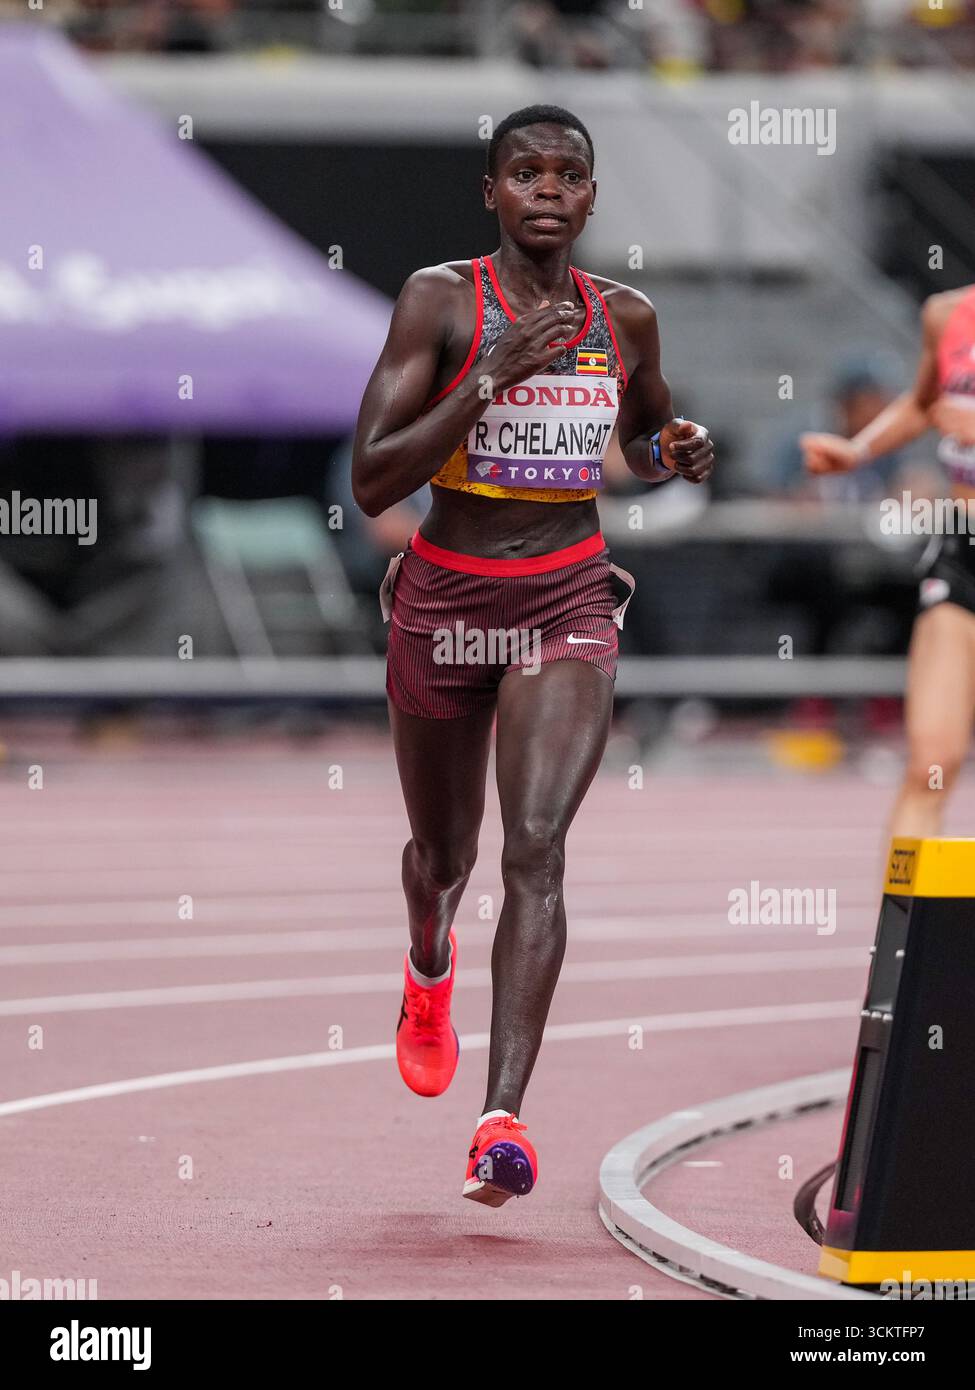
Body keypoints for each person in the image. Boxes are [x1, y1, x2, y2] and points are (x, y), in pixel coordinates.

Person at [352, 104, 714, 1207]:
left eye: (568, 175)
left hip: (565, 597)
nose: (548, 189)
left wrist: (674, 449)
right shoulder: (442, 300)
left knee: (538, 848)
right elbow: (373, 478)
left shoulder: (629, 317)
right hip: (447, 601)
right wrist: (487, 379)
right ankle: (427, 964)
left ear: (592, 198)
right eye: (526, 172)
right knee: (442, 859)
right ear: (493, 194)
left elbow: (645, 434)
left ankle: (501, 1120)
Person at [801, 286, 975, 839]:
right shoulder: (948, 315)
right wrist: (859, 450)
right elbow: (925, 403)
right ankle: (899, 926)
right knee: (931, 764)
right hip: (965, 554)